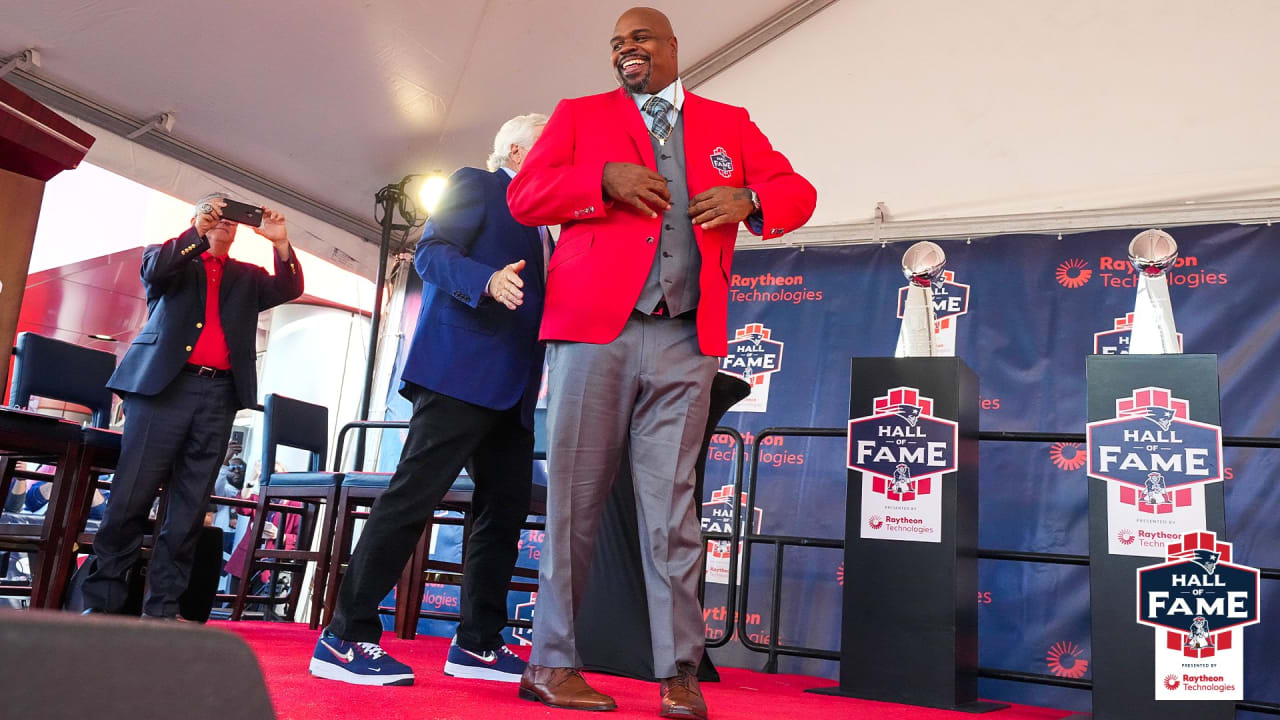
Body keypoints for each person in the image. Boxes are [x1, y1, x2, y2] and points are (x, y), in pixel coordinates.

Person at [506, 8, 816, 717]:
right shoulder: (580, 116)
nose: (626, 51)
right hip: (593, 335)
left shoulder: (729, 123)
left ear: (674, 48)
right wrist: (599, 180)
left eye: (639, 39)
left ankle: (678, 670)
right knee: (573, 506)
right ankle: (551, 663)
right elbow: (525, 196)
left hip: (685, 337)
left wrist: (753, 198)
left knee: (674, 515)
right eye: (616, 44)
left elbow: (797, 192)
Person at [309, 113, 551, 687]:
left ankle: (477, 644)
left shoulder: (546, 221)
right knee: (412, 498)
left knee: (504, 512)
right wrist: (487, 280)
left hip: (514, 389)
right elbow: (431, 254)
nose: (559, 158)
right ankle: (344, 637)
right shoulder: (478, 182)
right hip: (459, 373)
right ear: (515, 150)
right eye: (549, 148)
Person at [80, 195, 303, 620]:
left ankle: (162, 608)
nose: (223, 224)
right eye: (213, 216)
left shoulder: (248, 277)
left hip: (218, 394)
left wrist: (280, 244)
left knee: (189, 507)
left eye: (229, 222)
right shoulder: (171, 257)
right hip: (162, 390)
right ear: (196, 221)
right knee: (131, 498)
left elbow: (290, 286)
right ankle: (101, 604)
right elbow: (156, 271)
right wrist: (196, 232)